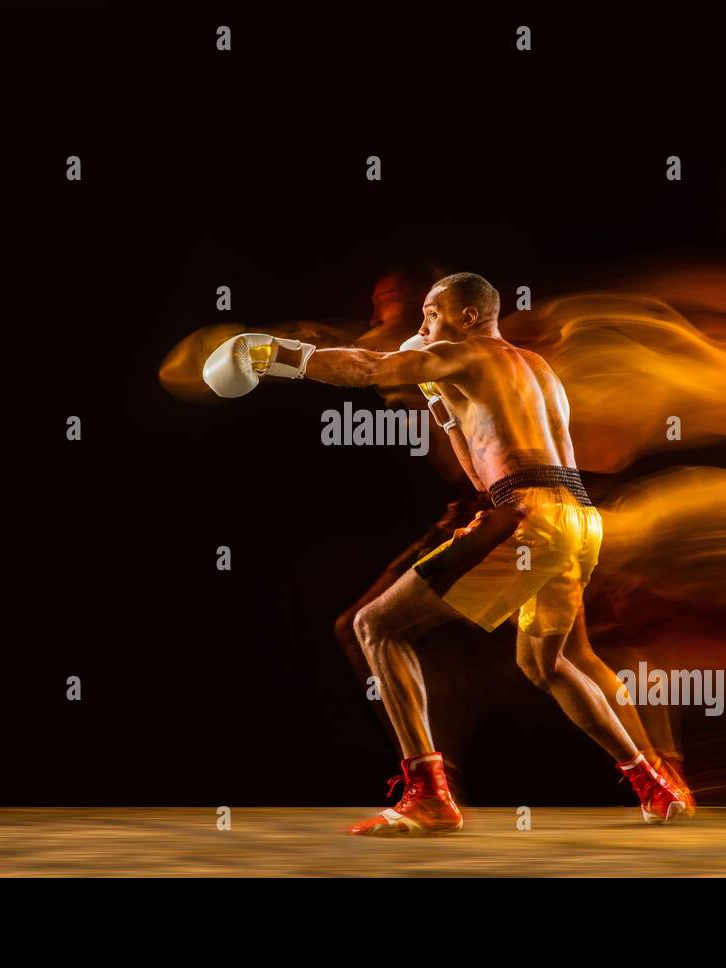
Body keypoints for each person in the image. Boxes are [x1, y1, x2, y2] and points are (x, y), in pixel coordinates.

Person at [203, 271, 693, 834]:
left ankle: (429, 794)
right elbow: (478, 458)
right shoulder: (535, 369)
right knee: (546, 664)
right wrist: (439, 401)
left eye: (433, 314)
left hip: (528, 516)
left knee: (376, 627)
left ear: (468, 316)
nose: (423, 325)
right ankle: (654, 787)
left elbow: (366, 369)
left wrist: (271, 354)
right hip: (579, 520)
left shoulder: (466, 353)